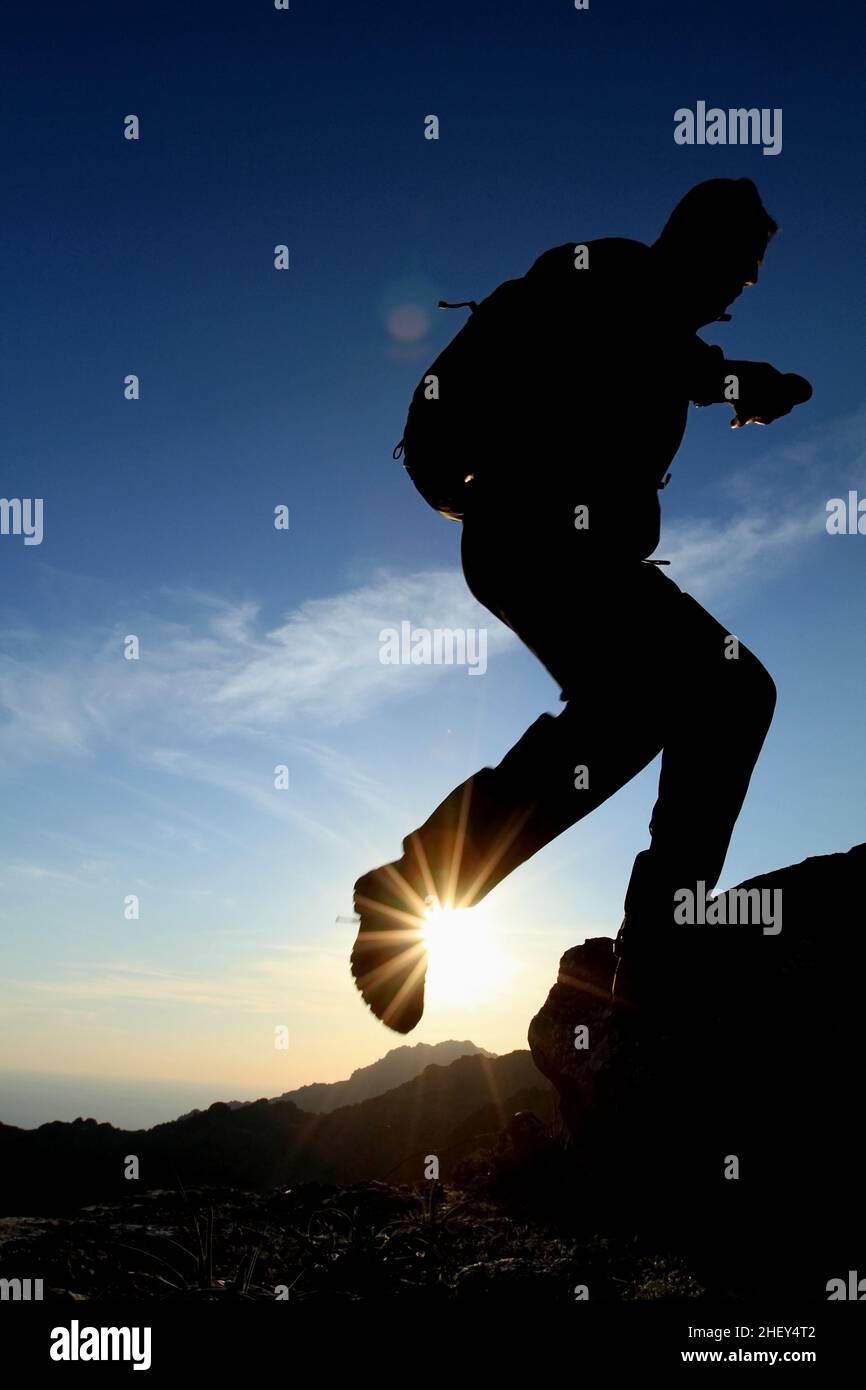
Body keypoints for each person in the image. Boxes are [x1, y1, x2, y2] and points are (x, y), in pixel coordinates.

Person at [350, 178, 812, 1033]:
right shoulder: (612, 278)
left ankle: (419, 891)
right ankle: (661, 935)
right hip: (539, 540)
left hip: (551, 549)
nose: (739, 291)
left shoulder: (637, 302)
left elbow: (663, 354)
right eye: (739, 269)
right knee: (725, 692)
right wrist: (737, 381)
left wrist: (738, 383)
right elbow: (649, 342)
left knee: (633, 716)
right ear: (701, 246)